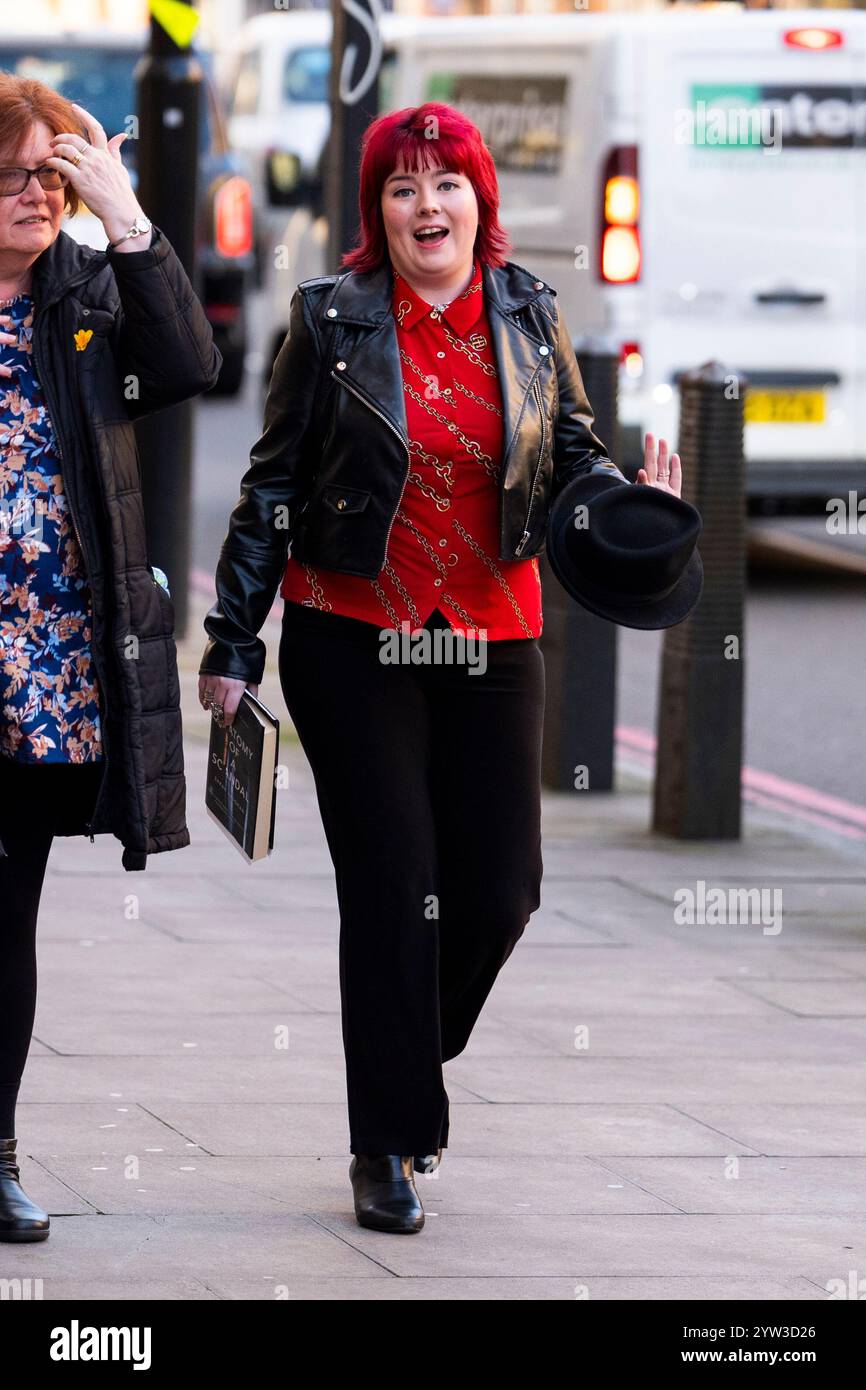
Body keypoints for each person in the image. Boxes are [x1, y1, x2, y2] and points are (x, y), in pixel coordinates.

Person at [198, 102, 685, 1234]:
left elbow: (569, 456)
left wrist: (634, 503)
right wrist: (230, 640)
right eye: (403, 186)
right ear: (376, 210)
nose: (428, 205)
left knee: (500, 889)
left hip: (490, 633)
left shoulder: (526, 310)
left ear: (480, 198)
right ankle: (385, 1139)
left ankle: (404, 1056)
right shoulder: (329, 322)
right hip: (351, 635)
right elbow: (270, 489)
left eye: (447, 183)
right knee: (389, 888)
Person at [0, 75, 221, 1242]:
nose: (36, 196)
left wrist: (124, 216)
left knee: (5, 919)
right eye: (13, 174)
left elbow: (187, 366)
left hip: (43, 682)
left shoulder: (82, 292)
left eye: (51, 172)